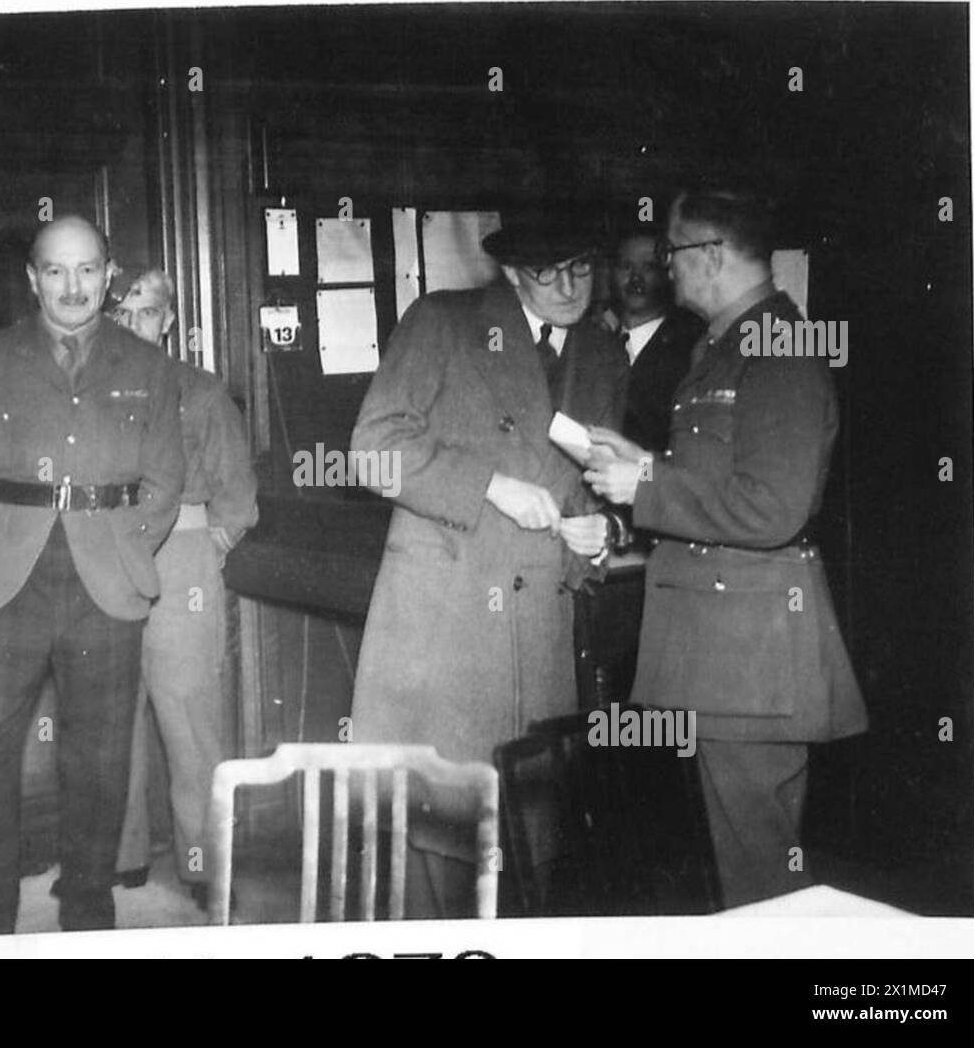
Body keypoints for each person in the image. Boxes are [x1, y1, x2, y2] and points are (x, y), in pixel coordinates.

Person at [584, 190, 868, 908]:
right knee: (747, 864)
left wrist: (642, 492)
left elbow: (772, 505)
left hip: (752, 662)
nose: (667, 270)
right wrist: (644, 464)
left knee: (760, 875)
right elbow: (723, 477)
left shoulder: (777, 345)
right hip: (727, 654)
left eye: (673, 254)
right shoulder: (728, 343)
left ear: (710, 254)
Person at [349, 210, 622, 918]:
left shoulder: (603, 354)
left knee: (530, 840)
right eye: (546, 271)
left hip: (539, 631)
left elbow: (598, 483)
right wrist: (489, 486)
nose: (568, 285)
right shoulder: (442, 322)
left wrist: (603, 534)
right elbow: (372, 448)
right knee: (437, 835)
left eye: (582, 267)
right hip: (448, 622)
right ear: (508, 270)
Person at [0, 216, 184, 933]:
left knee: (100, 758)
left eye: (87, 270)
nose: (72, 286)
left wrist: (122, 544)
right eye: (55, 270)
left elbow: (164, 480)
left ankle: (86, 912)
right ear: (32, 278)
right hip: (9, 576)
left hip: (105, 579)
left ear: (108, 276)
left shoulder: (148, 366)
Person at [106, 267, 258, 910]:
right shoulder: (89, 395)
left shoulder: (200, 392)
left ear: (170, 321)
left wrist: (203, 552)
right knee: (111, 712)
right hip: (104, 559)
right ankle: (122, 857)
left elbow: (238, 498)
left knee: (189, 714)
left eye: (147, 312)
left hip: (182, 558)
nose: (132, 324)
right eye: (121, 313)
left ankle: (202, 861)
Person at [610, 228, 703, 454]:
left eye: (649, 267)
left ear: (668, 273)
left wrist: (643, 474)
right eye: (626, 267)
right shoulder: (595, 342)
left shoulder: (692, 348)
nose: (635, 279)